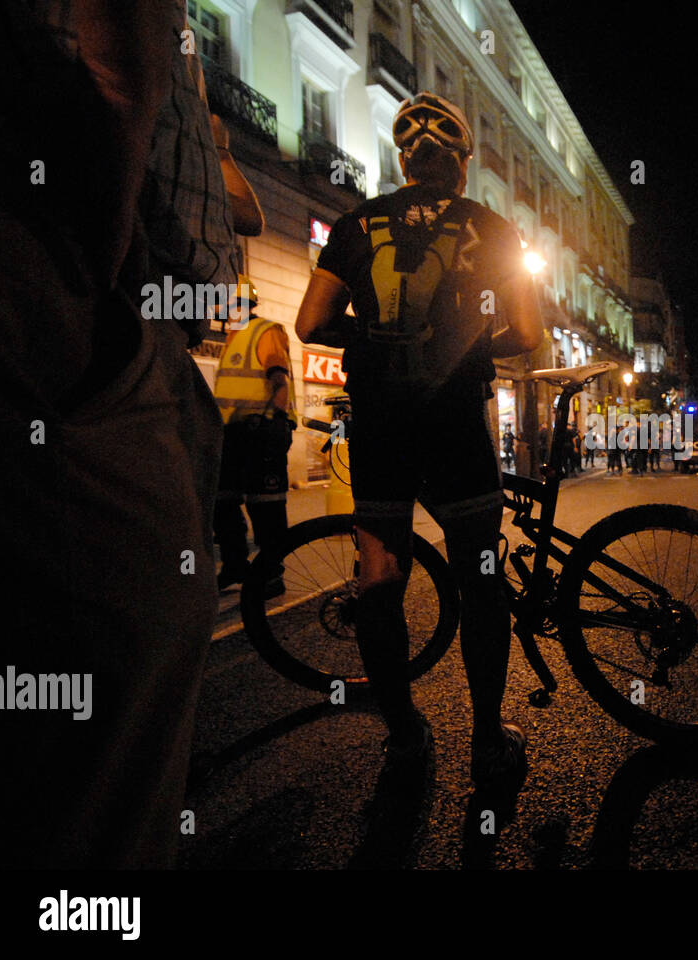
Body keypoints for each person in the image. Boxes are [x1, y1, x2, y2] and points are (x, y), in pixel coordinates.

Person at [0, 1, 259, 867]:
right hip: (75, 283)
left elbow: (246, 210)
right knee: (103, 771)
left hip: (104, 305)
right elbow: (124, 57)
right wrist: (94, 275)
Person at [295, 91, 543, 791]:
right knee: (480, 577)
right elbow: (526, 332)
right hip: (456, 417)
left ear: (404, 160)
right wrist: (466, 346)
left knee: (378, 580)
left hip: (379, 419)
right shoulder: (489, 226)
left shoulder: (354, 223)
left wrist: (375, 344)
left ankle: (405, 737)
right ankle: (488, 741)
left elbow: (311, 322)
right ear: (460, 164)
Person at [214, 278, 295, 595]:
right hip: (232, 435)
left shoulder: (263, 331)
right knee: (223, 502)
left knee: (266, 506)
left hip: (258, 432)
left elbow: (279, 378)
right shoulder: (232, 338)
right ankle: (236, 566)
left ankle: (272, 574)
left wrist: (273, 419)